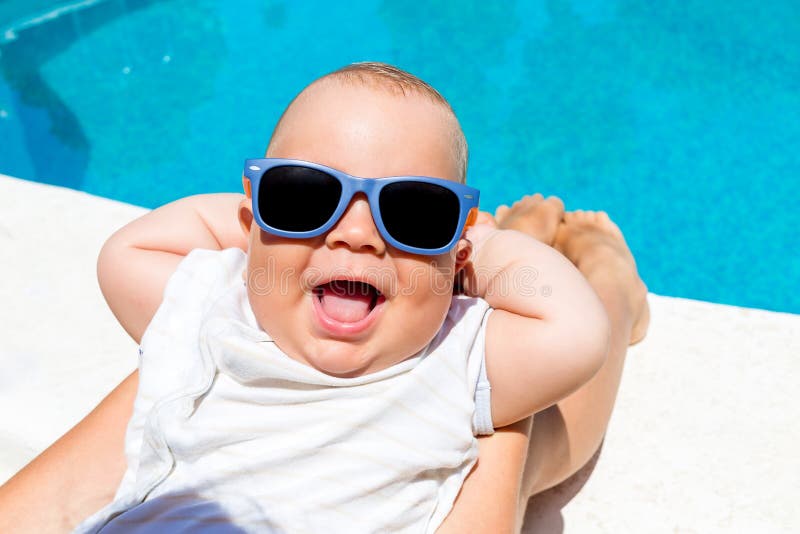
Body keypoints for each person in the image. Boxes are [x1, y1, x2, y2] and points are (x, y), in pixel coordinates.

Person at [0, 62, 649, 532]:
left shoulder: (448, 356)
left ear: (459, 254)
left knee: (559, 415)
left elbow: (574, 331)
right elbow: (126, 254)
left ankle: (614, 282)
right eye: (305, 196)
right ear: (251, 221)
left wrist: (471, 249)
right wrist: (278, 229)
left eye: (415, 212)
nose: (359, 236)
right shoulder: (221, 315)